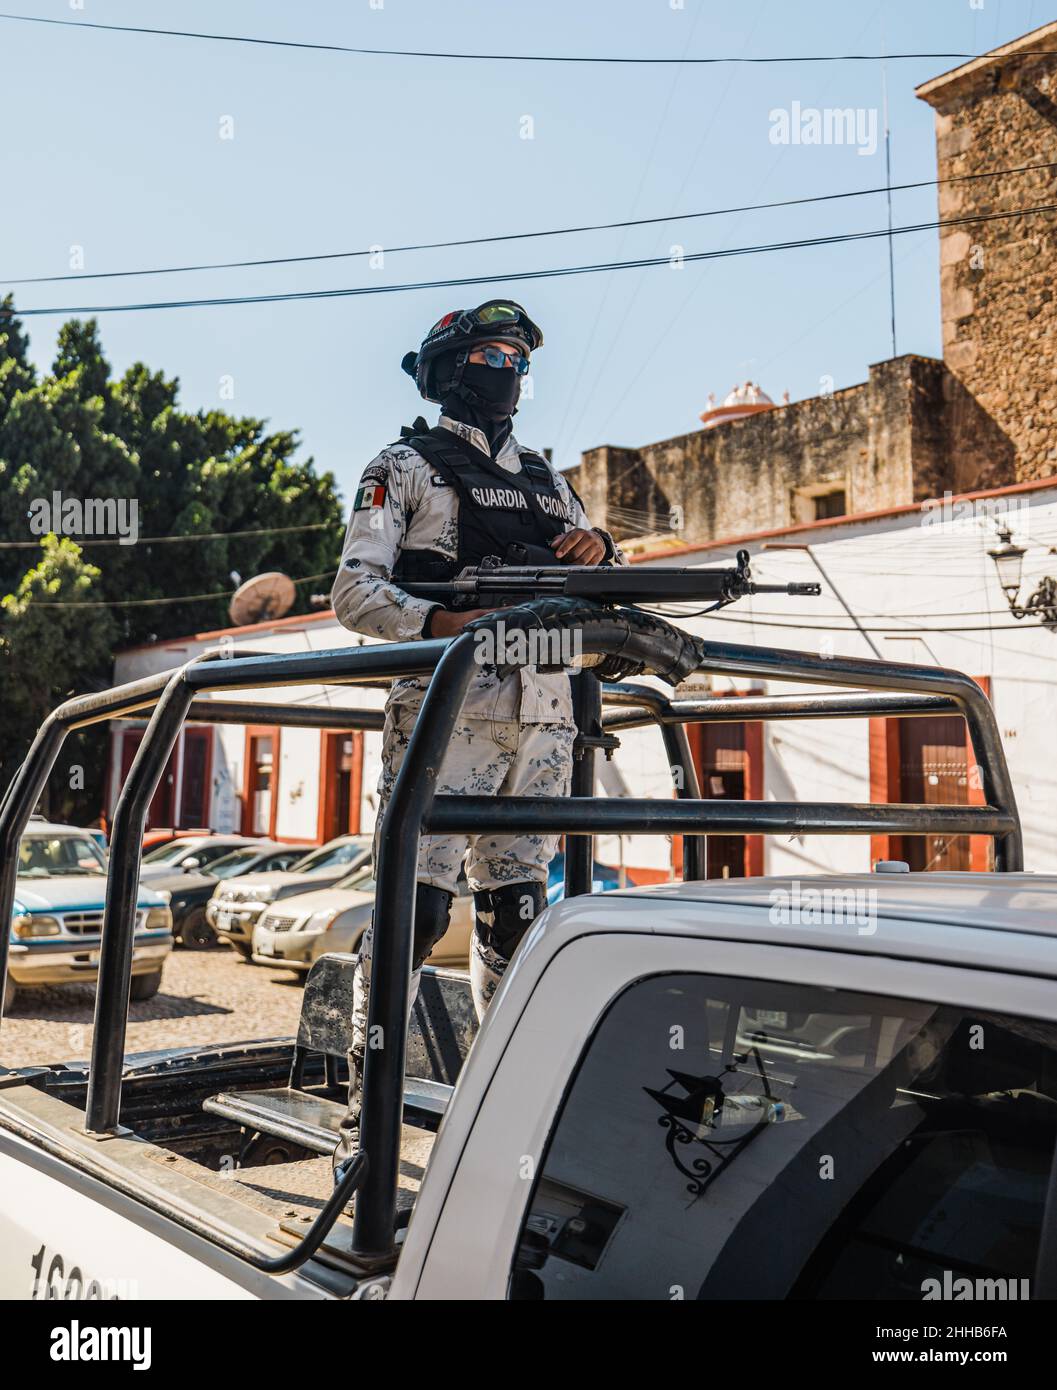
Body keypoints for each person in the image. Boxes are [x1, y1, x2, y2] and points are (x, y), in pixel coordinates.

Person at [330, 300, 621, 1169]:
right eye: (490, 353)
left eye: (516, 357)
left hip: (543, 723)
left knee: (517, 918)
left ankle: (497, 1123)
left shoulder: (546, 476)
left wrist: (598, 549)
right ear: (452, 368)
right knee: (411, 914)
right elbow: (354, 592)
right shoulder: (404, 465)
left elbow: (601, 585)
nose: (507, 369)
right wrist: (446, 618)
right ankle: (366, 1126)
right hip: (447, 713)